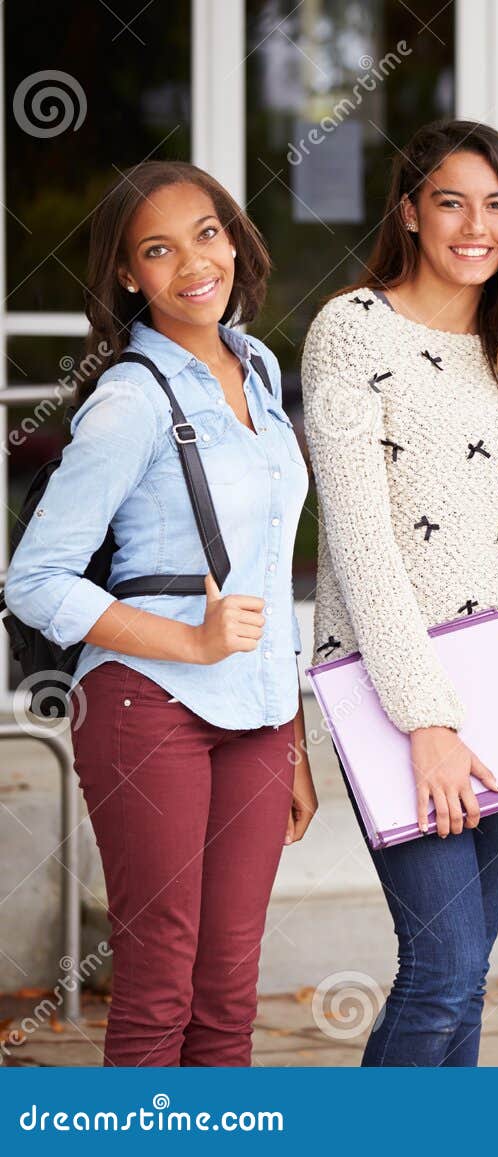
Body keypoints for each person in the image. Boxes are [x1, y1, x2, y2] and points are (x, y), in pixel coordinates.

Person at [4, 161, 314, 1065]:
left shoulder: (256, 368)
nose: (191, 263)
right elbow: (36, 579)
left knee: (228, 995)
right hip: (148, 707)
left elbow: (262, 564)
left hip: (256, 718)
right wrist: (191, 638)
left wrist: (288, 728)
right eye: (157, 249)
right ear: (128, 274)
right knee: (157, 987)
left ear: (234, 239)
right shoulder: (130, 398)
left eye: (206, 233)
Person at [300, 120, 498, 1067]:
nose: (476, 225)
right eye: (452, 201)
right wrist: (425, 717)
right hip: (399, 688)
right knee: (445, 965)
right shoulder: (352, 330)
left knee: (467, 972)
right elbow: (359, 541)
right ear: (410, 211)